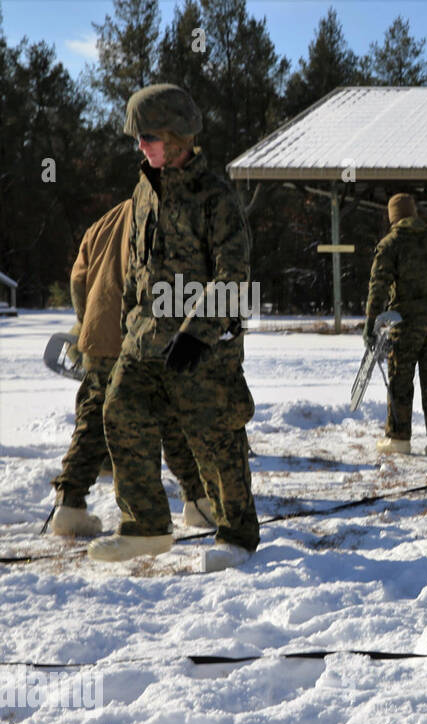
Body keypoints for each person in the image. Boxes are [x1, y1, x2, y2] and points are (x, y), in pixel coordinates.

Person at [88, 83, 258, 572]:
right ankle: (145, 527)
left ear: (178, 137)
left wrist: (196, 332)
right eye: (138, 139)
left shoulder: (216, 197)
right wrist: (128, 328)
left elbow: (234, 277)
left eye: (148, 137)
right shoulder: (143, 189)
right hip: (145, 341)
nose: (140, 147)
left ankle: (237, 534)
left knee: (214, 437)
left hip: (202, 347)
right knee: (120, 411)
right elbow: (137, 270)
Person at [49, 198, 215, 537]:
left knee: (93, 420)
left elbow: (78, 279)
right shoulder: (169, 217)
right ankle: (197, 500)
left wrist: (88, 324)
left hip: (99, 335)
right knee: (174, 414)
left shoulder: (104, 222)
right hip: (145, 337)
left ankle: (69, 504)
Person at [364, 193, 427, 456]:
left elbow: (378, 286)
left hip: (406, 321)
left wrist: (371, 323)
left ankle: (399, 440)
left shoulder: (390, 245)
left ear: (392, 217)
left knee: (400, 376)